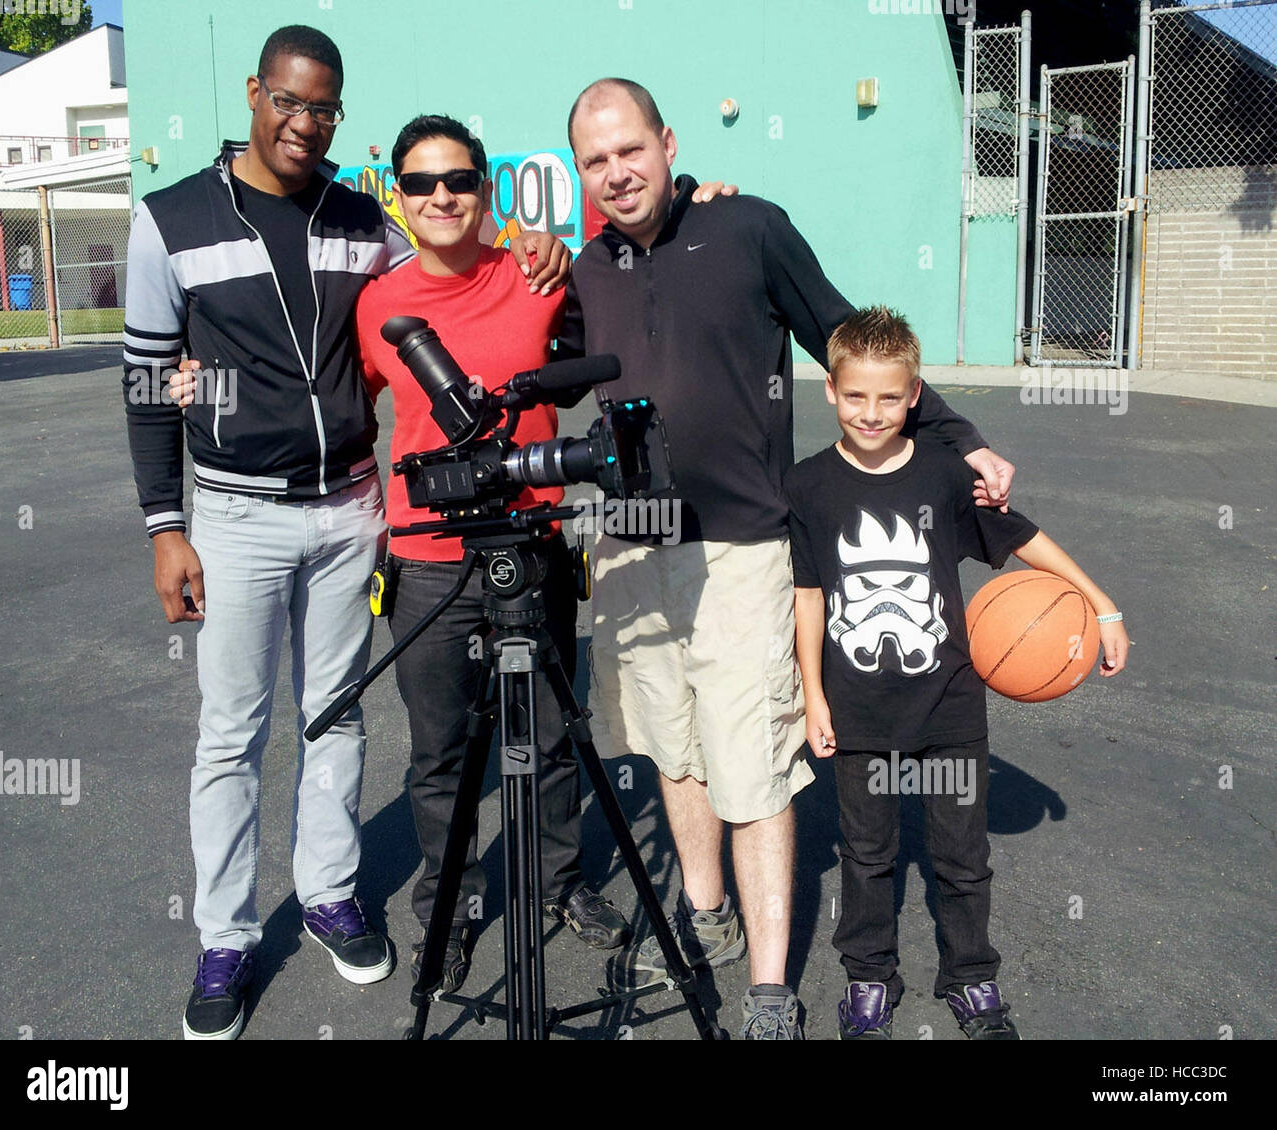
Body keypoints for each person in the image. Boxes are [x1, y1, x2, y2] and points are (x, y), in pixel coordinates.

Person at [125, 26, 568, 1041]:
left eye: (323, 107)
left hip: (349, 509)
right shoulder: (171, 220)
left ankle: (329, 891)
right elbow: (149, 381)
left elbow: (446, 279)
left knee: (336, 715)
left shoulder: (364, 221)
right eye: (288, 101)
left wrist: (534, 246)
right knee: (231, 733)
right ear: (254, 93)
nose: (303, 121)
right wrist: (164, 525)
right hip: (232, 514)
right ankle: (227, 935)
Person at [559, 78, 1018, 1039]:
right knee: (671, 751)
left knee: (757, 764)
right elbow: (539, 347)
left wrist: (957, 437)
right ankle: (705, 913)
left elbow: (850, 341)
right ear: (580, 172)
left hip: (741, 548)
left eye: (630, 150)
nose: (617, 172)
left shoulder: (749, 229)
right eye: (596, 160)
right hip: (632, 544)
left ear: (668, 142)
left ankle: (771, 984)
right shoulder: (584, 269)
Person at [784, 306, 1129, 1039]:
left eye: (887, 397)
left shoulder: (945, 474)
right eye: (855, 396)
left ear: (914, 395)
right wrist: (812, 694)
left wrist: (1101, 605)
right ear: (829, 390)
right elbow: (808, 595)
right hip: (858, 708)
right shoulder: (809, 486)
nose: (870, 412)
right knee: (868, 855)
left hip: (947, 705)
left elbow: (1023, 537)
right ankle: (870, 976)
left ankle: (971, 977)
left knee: (961, 856)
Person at [352, 114, 631, 990]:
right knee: (441, 753)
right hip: (426, 556)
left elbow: (640, 266)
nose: (442, 196)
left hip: (533, 543)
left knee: (548, 735)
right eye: (422, 183)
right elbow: (348, 406)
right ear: (398, 196)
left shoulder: (540, 276)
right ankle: (453, 903)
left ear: (485, 191)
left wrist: (707, 192)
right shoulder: (377, 304)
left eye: (459, 181)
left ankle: (559, 883)